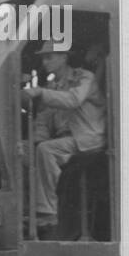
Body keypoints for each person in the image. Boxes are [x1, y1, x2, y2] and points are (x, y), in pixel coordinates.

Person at [23, 40, 107, 237]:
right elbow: (44, 118)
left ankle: (48, 212)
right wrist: (35, 141)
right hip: (68, 140)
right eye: (43, 58)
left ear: (63, 57)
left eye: (49, 57)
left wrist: (40, 92)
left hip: (88, 138)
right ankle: (29, 209)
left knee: (47, 150)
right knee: (22, 151)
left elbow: (73, 100)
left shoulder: (84, 77)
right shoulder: (53, 86)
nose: (45, 62)